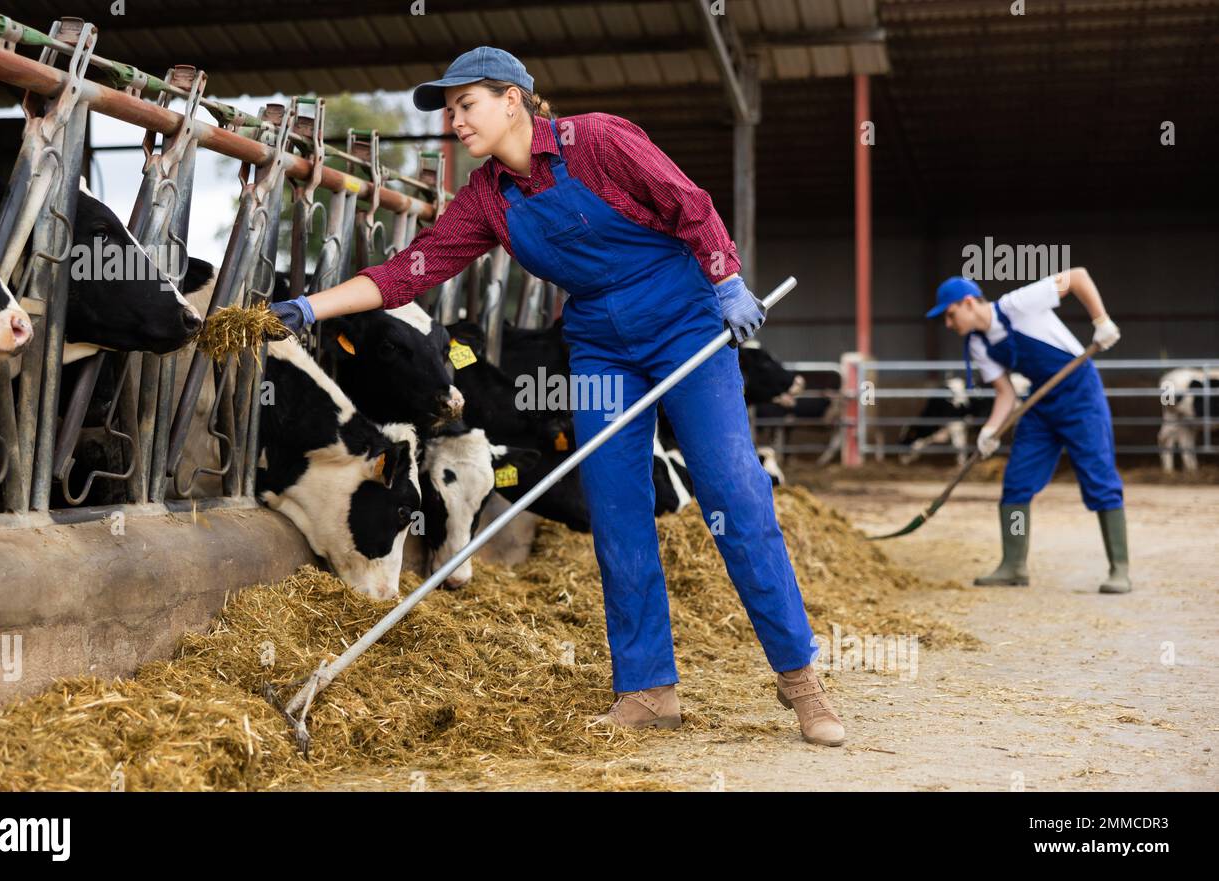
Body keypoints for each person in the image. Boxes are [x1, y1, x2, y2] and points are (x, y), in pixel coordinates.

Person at [272, 46, 844, 745]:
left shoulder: (597, 140)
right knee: (615, 505)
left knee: (735, 491)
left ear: (512, 98)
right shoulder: (488, 198)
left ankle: (800, 680)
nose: (454, 121)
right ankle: (648, 688)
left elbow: (688, 203)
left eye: (465, 104)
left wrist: (725, 279)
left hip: (685, 325)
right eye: (449, 111)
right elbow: (409, 270)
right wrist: (312, 308)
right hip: (601, 344)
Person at [926, 270, 1131, 593]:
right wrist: (990, 431)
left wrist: (1101, 321)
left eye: (950, 316)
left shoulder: (1017, 305)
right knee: (1017, 482)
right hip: (1041, 404)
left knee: (1099, 478)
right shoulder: (978, 344)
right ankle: (1013, 565)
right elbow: (1005, 393)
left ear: (968, 303)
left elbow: (1077, 277)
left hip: (1080, 396)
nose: (949, 325)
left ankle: (1119, 569)